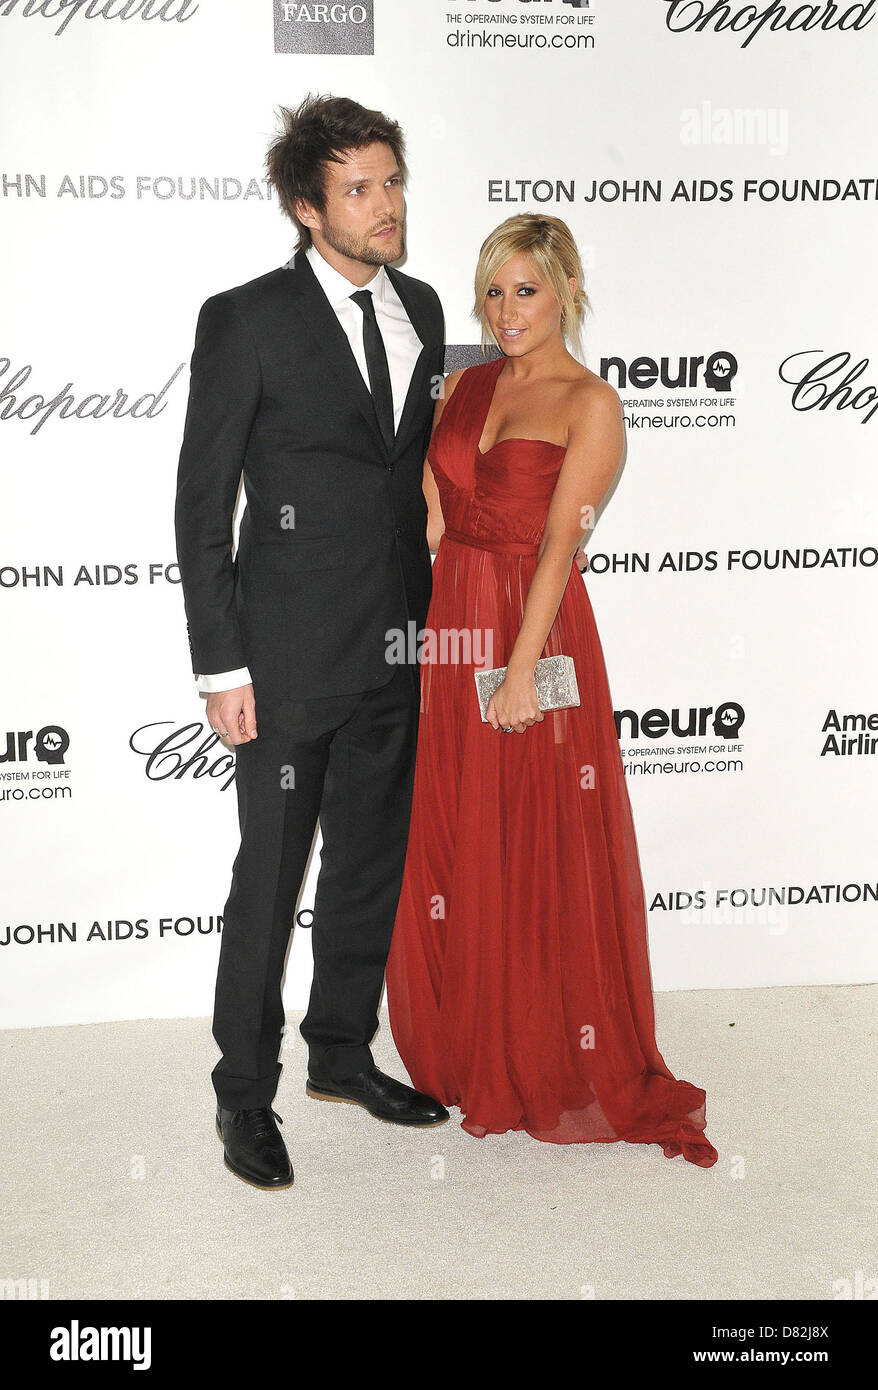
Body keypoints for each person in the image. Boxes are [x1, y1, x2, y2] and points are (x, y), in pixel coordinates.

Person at [385, 213, 718, 1169]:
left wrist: (523, 669)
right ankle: (461, 1045)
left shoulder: (591, 403)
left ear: (568, 291)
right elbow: (433, 517)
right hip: (452, 622)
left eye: (525, 290)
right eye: (492, 292)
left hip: (531, 624)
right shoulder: (464, 384)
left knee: (532, 835)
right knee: (455, 826)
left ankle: (539, 1050)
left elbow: (562, 547)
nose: (505, 310)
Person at [174, 94, 450, 1191]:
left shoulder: (422, 307)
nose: (386, 206)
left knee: (369, 864)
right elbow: (202, 505)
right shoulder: (245, 318)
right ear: (306, 208)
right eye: (359, 190)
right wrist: (221, 665)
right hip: (285, 658)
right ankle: (244, 1093)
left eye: (393, 181)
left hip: (396, 645)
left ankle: (341, 1052)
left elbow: (407, 476)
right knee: (270, 877)